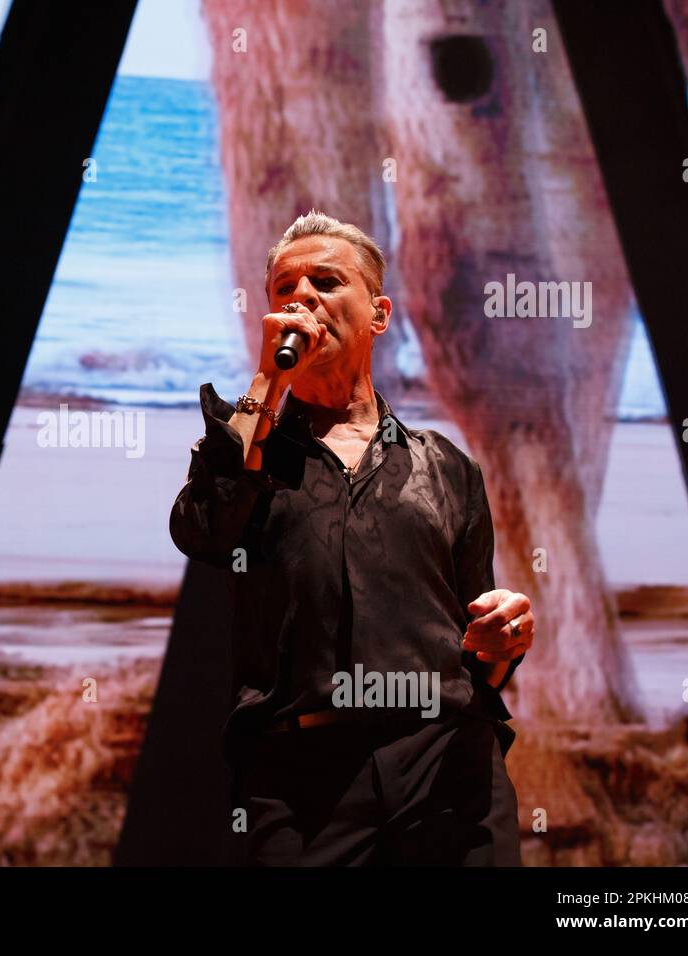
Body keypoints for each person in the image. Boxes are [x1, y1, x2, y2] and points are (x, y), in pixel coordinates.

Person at [169, 210, 534, 866]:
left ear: (379, 314)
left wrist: (503, 643)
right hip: (299, 780)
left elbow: (482, 659)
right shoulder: (248, 452)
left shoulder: (446, 466)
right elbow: (203, 529)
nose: (303, 297)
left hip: (446, 761)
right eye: (285, 287)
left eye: (328, 281)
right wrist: (269, 383)